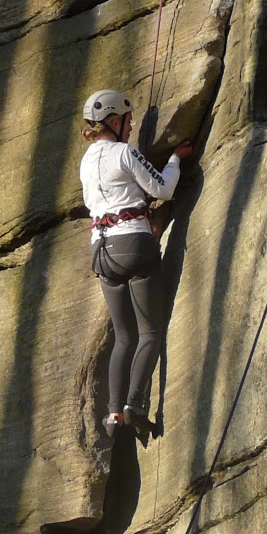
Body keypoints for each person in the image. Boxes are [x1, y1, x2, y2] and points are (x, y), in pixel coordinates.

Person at [79, 88, 195, 436]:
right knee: (150, 331)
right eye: (128, 122)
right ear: (114, 122)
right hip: (132, 243)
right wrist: (175, 158)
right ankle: (134, 406)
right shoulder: (123, 152)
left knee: (124, 337)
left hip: (101, 253)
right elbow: (163, 189)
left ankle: (113, 414)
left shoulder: (85, 161)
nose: (131, 128)